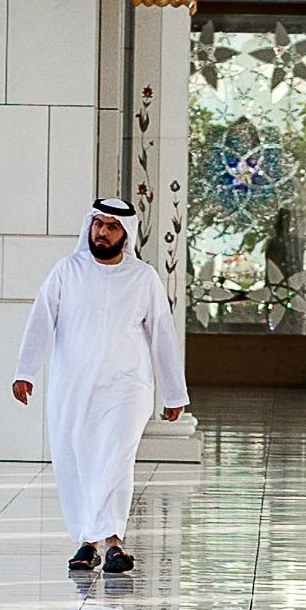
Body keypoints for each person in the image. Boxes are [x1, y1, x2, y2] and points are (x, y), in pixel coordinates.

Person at [12, 198, 188, 578]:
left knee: (115, 456)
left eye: (112, 226)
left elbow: (162, 334)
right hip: (73, 384)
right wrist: (26, 371)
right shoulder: (67, 271)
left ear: (126, 234)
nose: (102, 232)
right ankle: (90, 543)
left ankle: (111, 541)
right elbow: (41, 320)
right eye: (98, 224)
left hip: (128, 386)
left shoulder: (143, 277)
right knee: (76, 460)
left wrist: (174, 393)